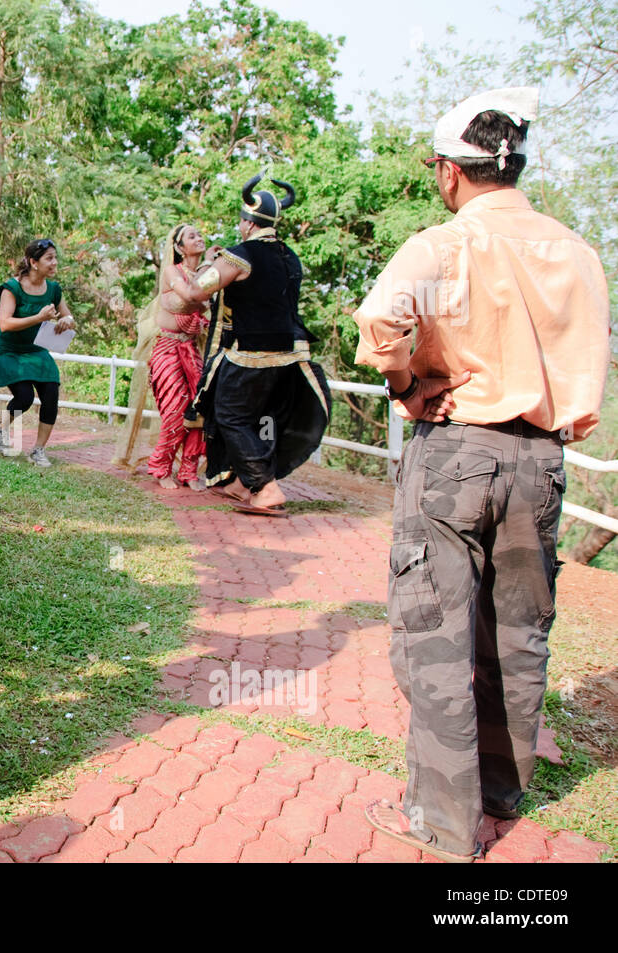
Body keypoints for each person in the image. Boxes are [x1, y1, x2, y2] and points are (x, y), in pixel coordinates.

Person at [352, 88, 609, 863]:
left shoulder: (446, 245)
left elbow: (380, 319)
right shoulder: (577, 252)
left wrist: (407, 385)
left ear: (449, 173)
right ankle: (500, 785)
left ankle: (440, 817)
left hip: (458, 448)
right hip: (541, 455)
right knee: (519, 630)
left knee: (434, 630)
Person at [178, 175, 331, 515]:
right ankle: (240, 481)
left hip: (250, 354)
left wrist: (207, 265)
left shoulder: (239, 256)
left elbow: (194, 293)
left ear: (248, 223)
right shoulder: (290, 257)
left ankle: (263, 487)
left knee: (229, 415)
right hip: (291, 355)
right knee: (259, 417)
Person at [0, 239, 76, 467]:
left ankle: (38, 450)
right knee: (25, 397)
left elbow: (69, 317)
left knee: (50, 395)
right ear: (33, 263)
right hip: (10, 351)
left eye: (55, 257)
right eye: (49, 258)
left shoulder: (54, 290)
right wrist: (38, 318)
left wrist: (67, 321)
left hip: (36, 351)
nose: (54, 262)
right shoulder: (12, 288)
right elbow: (5, 323)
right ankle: (1, 430)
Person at [146, 224, 211, 490]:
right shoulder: (173, 272)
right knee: (175, 410)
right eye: (191, 236)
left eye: (200, 234)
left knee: (199, 410)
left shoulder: (204, 273)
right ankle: (161, 467)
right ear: (179, 247)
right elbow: (190, 294)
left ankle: (188, 470)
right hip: (167, 348)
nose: (198, 238)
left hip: (191, 350)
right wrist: (209, 266)